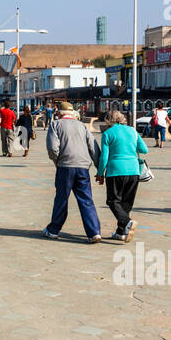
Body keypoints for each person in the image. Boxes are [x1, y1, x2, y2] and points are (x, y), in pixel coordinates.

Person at [43, 101, 102, 242]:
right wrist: (99, 167)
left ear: (58, 113)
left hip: (65, 166)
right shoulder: (82, 126)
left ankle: (54, 230)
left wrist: (56, 161)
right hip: (83, 167)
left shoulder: (55, 124)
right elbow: (93, 147)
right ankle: (94, 232)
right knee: (86, 200)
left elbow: (52, 148)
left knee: (62, 199)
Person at [95, 110, 147, 242]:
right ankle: (121, 232)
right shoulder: (133, 131)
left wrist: (100, 174)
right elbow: (144, 149)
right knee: (126, 203)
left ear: (108, 121)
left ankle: (127, 222)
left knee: (112, 200)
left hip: (115, 171)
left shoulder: (107, 134)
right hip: (134, 171)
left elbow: (104, 157)